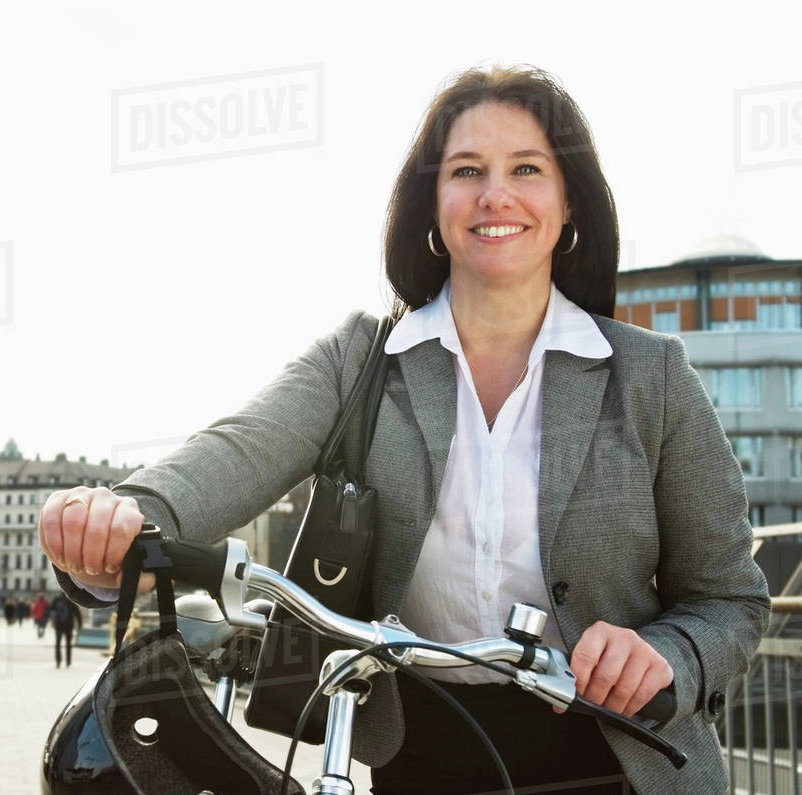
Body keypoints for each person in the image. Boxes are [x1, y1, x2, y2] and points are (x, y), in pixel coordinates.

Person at [38, 65, 770, 793]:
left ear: (569, 200)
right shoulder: (363, 360)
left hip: (615, 760)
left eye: (526, 168)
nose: (495, 194)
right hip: (418, 756)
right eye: (466, 170)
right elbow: (233, 451)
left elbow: (730, 598)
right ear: (432, 203)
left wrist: (669, 652)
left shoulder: (651, 376)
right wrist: (122, 517)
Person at [49, 590, 82, 668]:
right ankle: (68, 662)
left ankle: (58, 661)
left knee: (58, 644)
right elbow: (77, 612)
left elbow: (50, 610)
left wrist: (52, 621)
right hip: (68, 625)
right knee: (68, 644)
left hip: (58, 625)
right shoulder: (71, 600)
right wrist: (80, 624)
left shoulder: (56, 599)